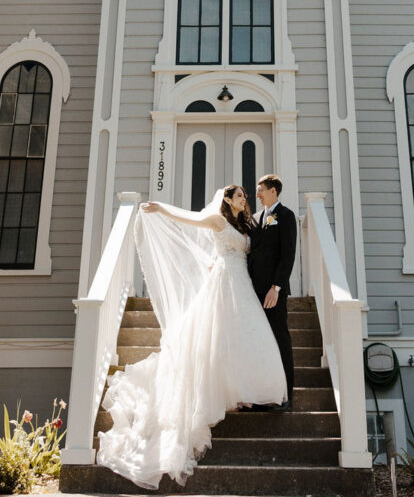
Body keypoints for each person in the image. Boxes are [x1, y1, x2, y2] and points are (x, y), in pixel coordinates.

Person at [96, 184, 286, 490]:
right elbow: (188, 220)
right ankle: (219, 390)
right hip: (224, 282)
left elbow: (254, 248)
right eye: (239, 196)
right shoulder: (218, 221)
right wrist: (161, 209)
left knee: (243, 335)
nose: (245, 199)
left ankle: (242, 390)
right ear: (227, 199)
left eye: (245, 197)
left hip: (242, 285)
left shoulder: (245, 224)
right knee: (218, 336)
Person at [248, 173, 297, 407]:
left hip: (272, 291)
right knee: (258, 342)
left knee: (280, 338)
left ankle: (286, 393)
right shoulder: (257, 217)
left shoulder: (286, 216)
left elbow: (288, 255)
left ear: (273, 191)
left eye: (261, 190)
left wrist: (275, 287)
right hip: (252, 291)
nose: (257, 194)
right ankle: (262, 394)